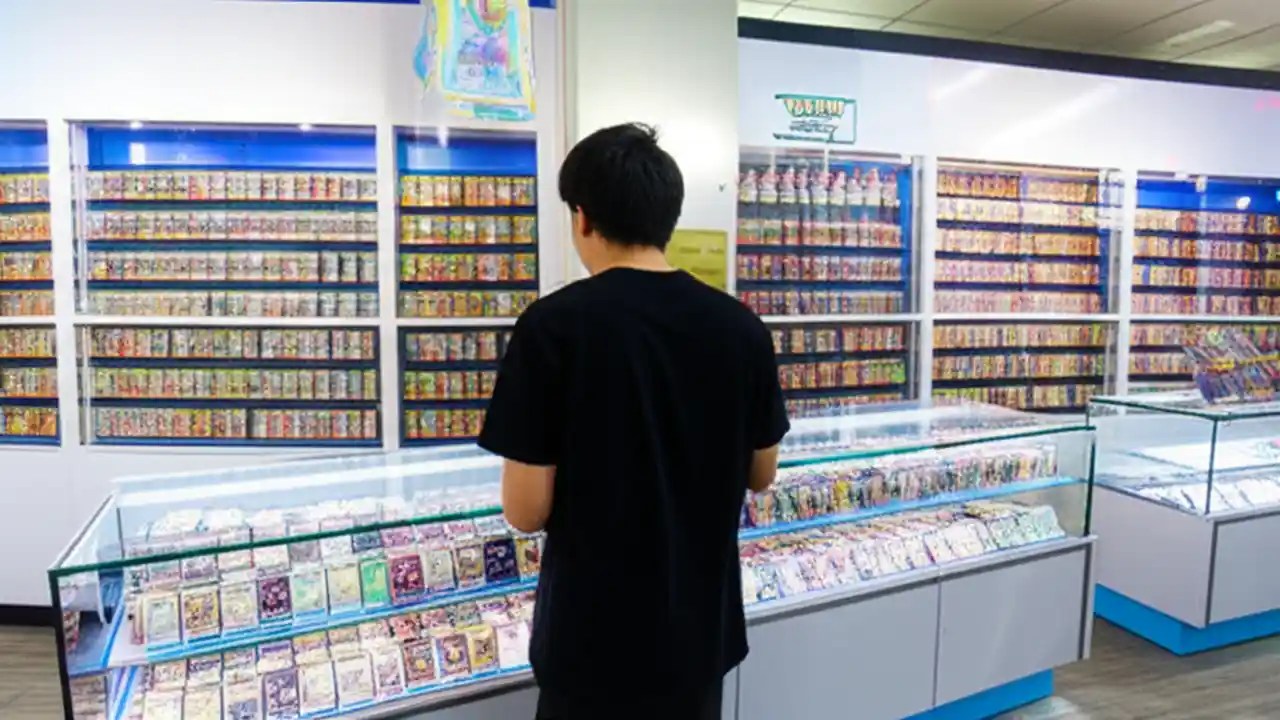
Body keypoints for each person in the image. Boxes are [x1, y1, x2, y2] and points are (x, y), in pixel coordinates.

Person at [478, 123, 790, 720]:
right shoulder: (739, 326)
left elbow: (525, 511)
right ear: (668, 217)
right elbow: (761, 473)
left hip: (590, 640)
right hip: (698, 635)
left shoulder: (551, 327)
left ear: (582, 218)